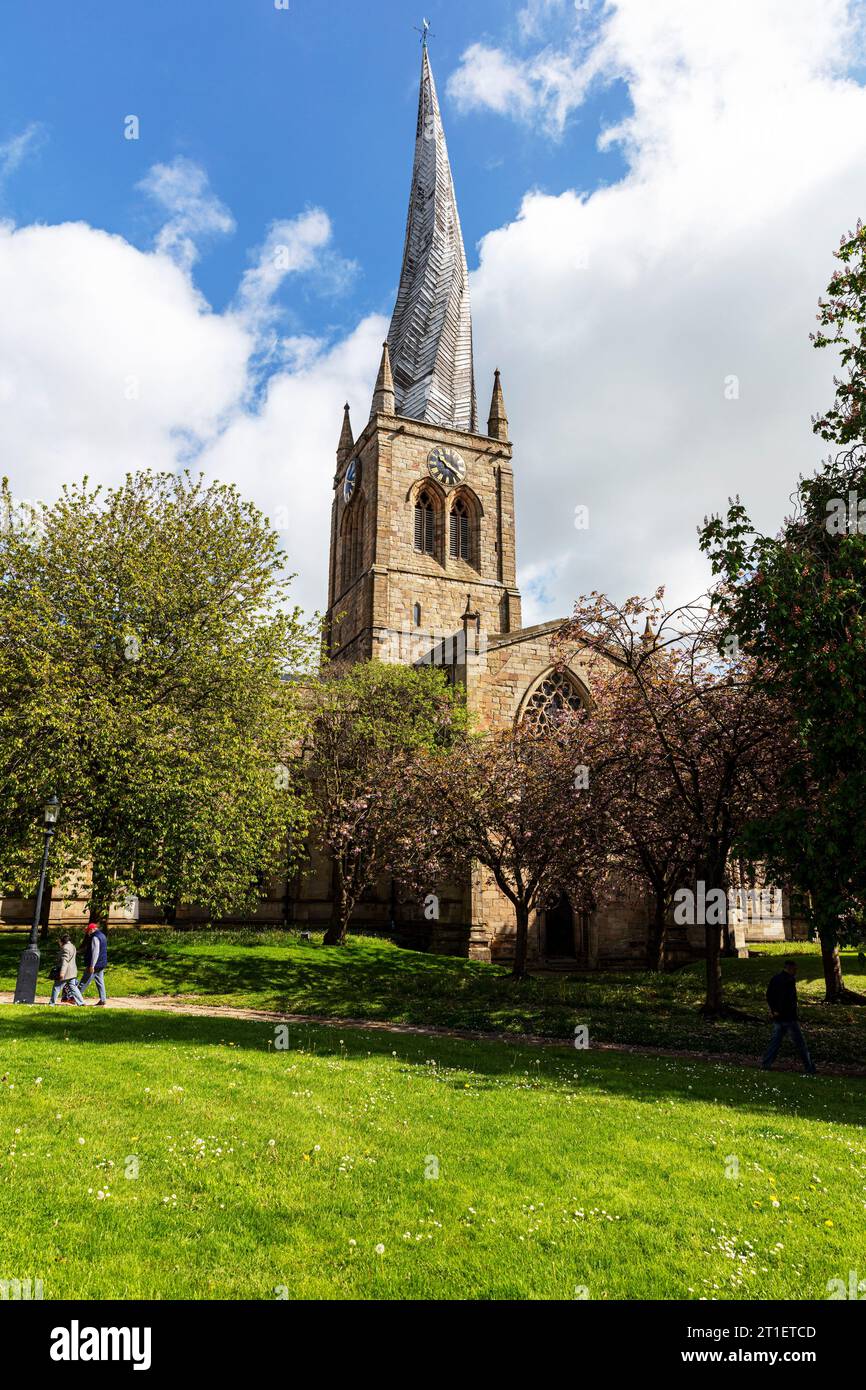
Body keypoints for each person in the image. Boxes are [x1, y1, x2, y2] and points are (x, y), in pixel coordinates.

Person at [762, 960, 816, 1074]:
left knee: (775, 1042)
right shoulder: (789, 981)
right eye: (795, 969)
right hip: (789, 1017)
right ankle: (809, 1067)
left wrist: (774, 1010)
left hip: (778, 1016)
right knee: (800, 1044)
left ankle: (766, 1063)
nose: (796, 971)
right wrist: (786, 1011)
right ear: (790, 968)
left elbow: (769, 995)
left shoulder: (775, 978)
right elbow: (789, 999)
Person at [49, 932, 85, 1006]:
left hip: (66, 972)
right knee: (73, 988)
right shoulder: (73, 946)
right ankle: (81, 1002)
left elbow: (65, 961)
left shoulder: (65, 948)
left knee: (57, 987)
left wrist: (62, 973)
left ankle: (51, 1003)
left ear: (62, 941)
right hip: (72, 971)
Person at [79, 922, 108, 1006]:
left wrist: (92, 965)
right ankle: (103, 1000)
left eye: (88, 931)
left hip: (95, 964)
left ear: (92, 929)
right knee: (100, 981)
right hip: (102, 963)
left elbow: (95, 952)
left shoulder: (95, 937)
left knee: (84, 981)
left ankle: (75, 997)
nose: (87, 933)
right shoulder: (102, 935)